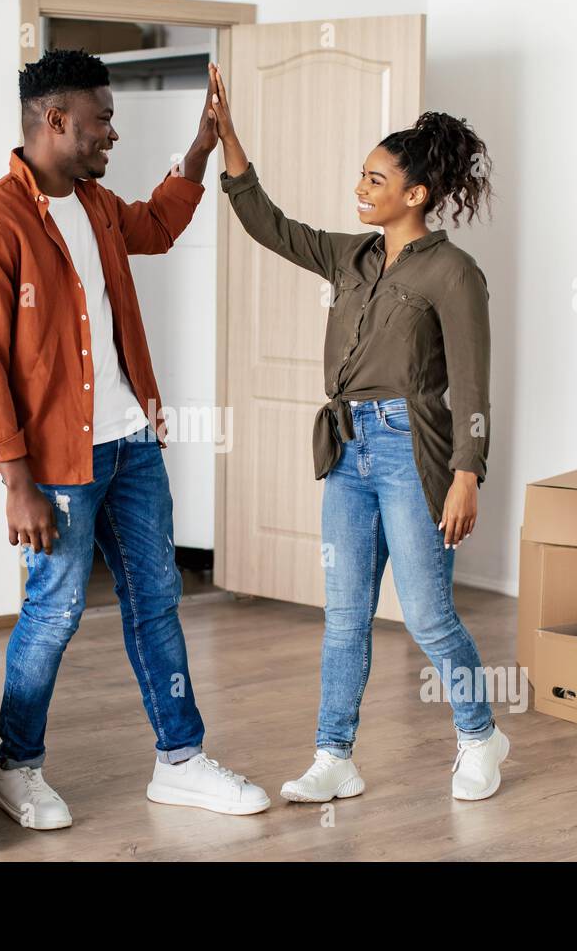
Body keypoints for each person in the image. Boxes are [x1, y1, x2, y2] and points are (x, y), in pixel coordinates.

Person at [0, 50, 269, 830]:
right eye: (103, 120)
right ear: (57, 120)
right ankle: (17, 768)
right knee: (54, 613)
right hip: (57, 463)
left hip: (133, 447)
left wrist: (199, 149)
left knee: (157, 601)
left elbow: (156, 226)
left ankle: (181, 761)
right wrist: (16, 481)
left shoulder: (95, 206)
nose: (112, 135)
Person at [208, 65, 509, 802]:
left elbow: (472, 386)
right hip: (347, 450)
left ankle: (480, 736)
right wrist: (228, 138)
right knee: (344, 617)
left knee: (429, 616)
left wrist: (468, 473)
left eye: (376, 180)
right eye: (362, 176)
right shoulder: (351, 255)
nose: (361, 188)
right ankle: (334, 756)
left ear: (416, 195)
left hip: (412, 451)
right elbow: (270, 225)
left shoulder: (454, 274)